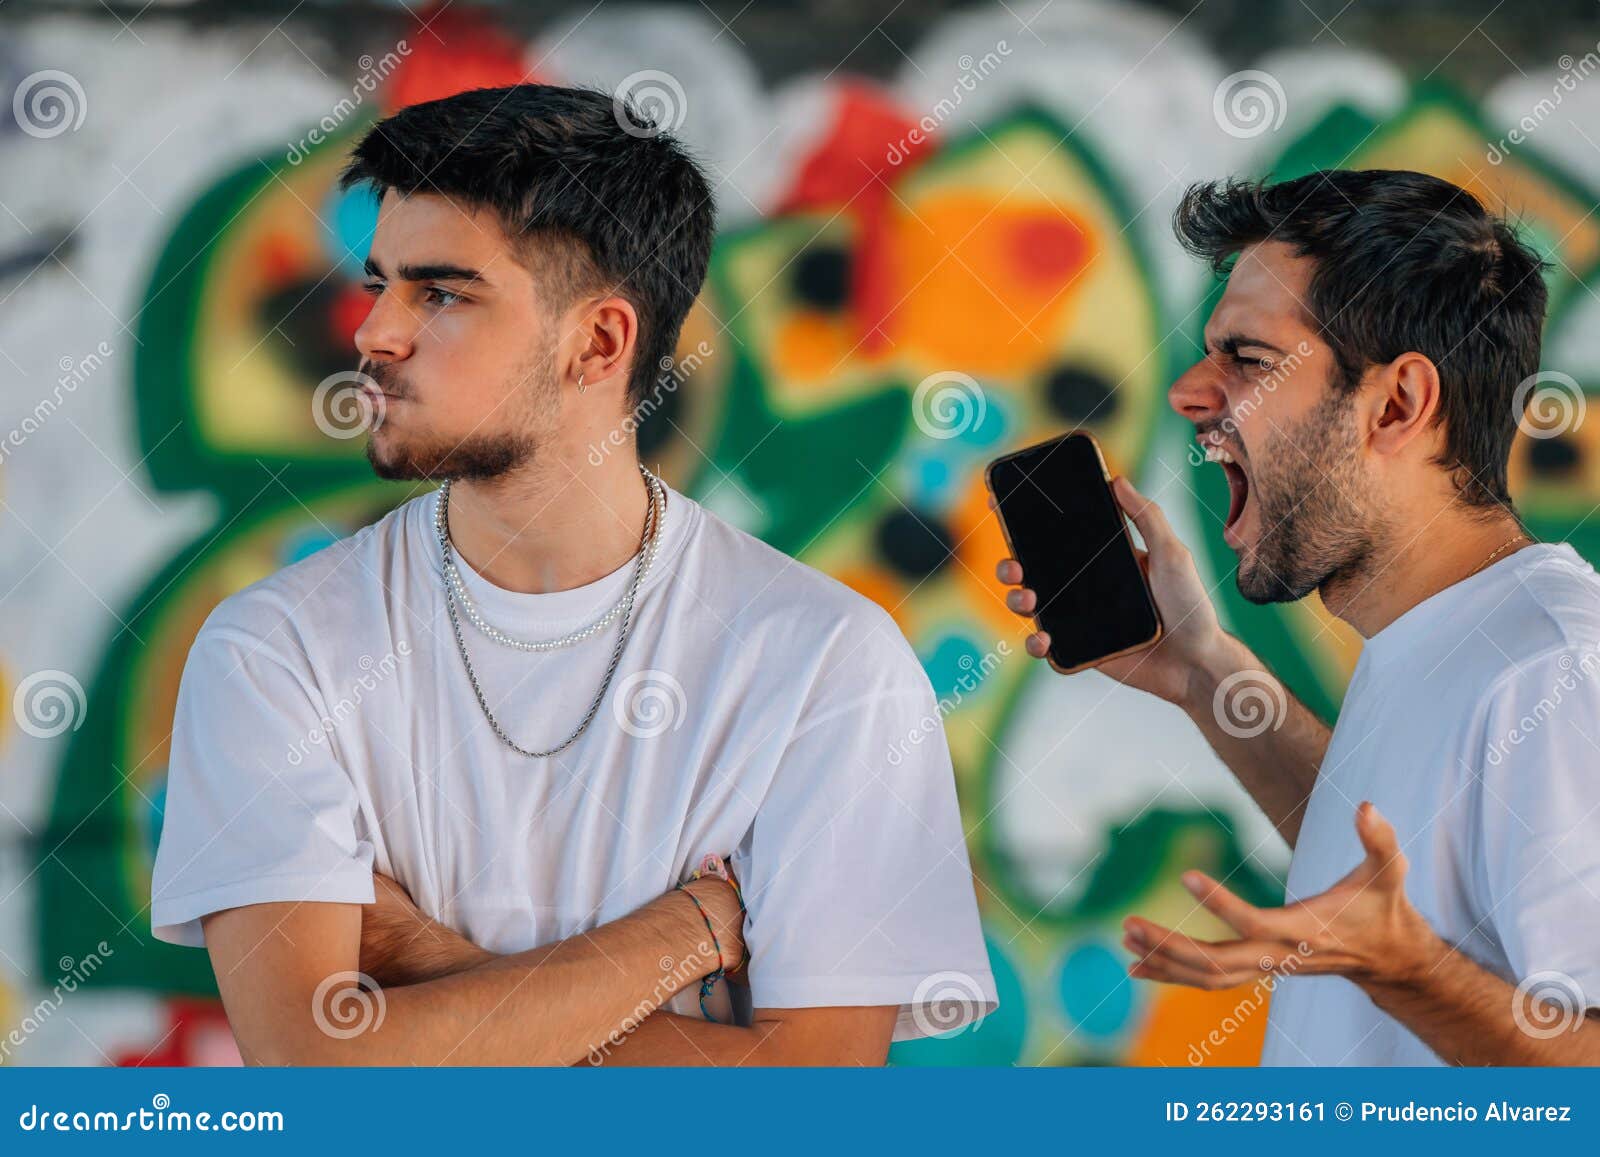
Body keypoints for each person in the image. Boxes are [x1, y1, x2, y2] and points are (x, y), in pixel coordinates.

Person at [150, 83, 994, 1066]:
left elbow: (808, 1099)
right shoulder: (276, 648)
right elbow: (319, 1067)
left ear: (598, 342)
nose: (375, 332)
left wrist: (423, 960)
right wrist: (686, 930)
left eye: (441, 293)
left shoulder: (825, 663)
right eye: (379, 284)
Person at [998, 169, 1600, 1065]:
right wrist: (1203, 672)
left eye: (1246, 357)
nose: (1188, 391)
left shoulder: (1553, 671)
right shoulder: (1448, 643)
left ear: (1397, 404)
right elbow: (1394, 874)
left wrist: (1408, 974)